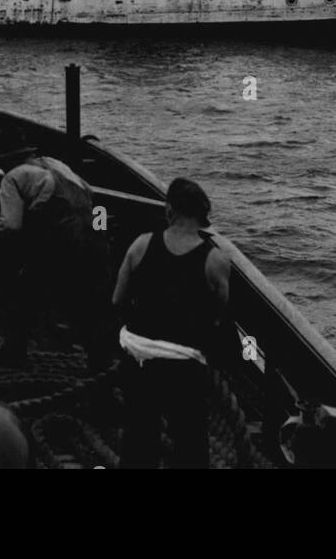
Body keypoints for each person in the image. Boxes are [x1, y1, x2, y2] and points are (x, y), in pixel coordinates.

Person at [112, 177, 231, 469]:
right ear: (202, 216)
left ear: (170, 210)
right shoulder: (216, 260)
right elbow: (220, 317)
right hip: (183, 365)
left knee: (139, 434)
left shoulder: (141, 244)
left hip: (137, 356)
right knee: (190, 442)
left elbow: (117, 300)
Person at [0, 154, 112, 369]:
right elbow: (90, 194)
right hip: (94, 238)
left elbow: (10, 226)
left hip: (58, 239)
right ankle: (100, 367)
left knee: (24, 294)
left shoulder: (12, 177)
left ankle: (13, 356)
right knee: (87, 304)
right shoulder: (59, 165)